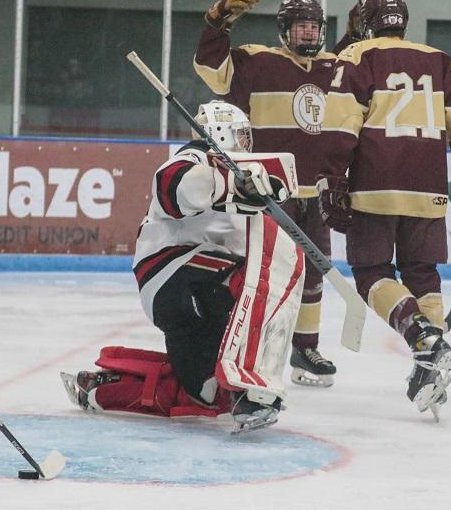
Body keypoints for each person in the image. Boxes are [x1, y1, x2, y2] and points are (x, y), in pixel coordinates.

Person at [60, 101, 305, 434]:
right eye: (241, 136)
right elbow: (172, 185)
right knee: (252, 274)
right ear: (220, 133)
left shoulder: (243, 176)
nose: (248, 143)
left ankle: (102, 387)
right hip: (170, 273)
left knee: (208, 393)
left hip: (196, 296)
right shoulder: (193, 159)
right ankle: (253, 383)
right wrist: (228, 185)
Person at [316, 0, 451, 418]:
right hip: (428, 185)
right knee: (423, 273)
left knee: (371, 273)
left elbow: (342, 124)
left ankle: (424, 340)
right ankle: (429, 367)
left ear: (368, 22)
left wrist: (332, 179)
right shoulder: (440, 60)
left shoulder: (358, 56)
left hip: (375, 185)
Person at [193, 0, 345, 387]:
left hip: (318, 191)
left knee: (315, 272)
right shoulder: (258, 61)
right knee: (267, 274)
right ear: (284, 31)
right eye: (301, 28)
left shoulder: (333, 65)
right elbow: (213, 70)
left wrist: (357, 38)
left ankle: (305, 348)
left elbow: (358, 83)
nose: (309, 35)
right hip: (272, 191)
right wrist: (216, 24)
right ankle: (252, 347)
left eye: (314, 27)